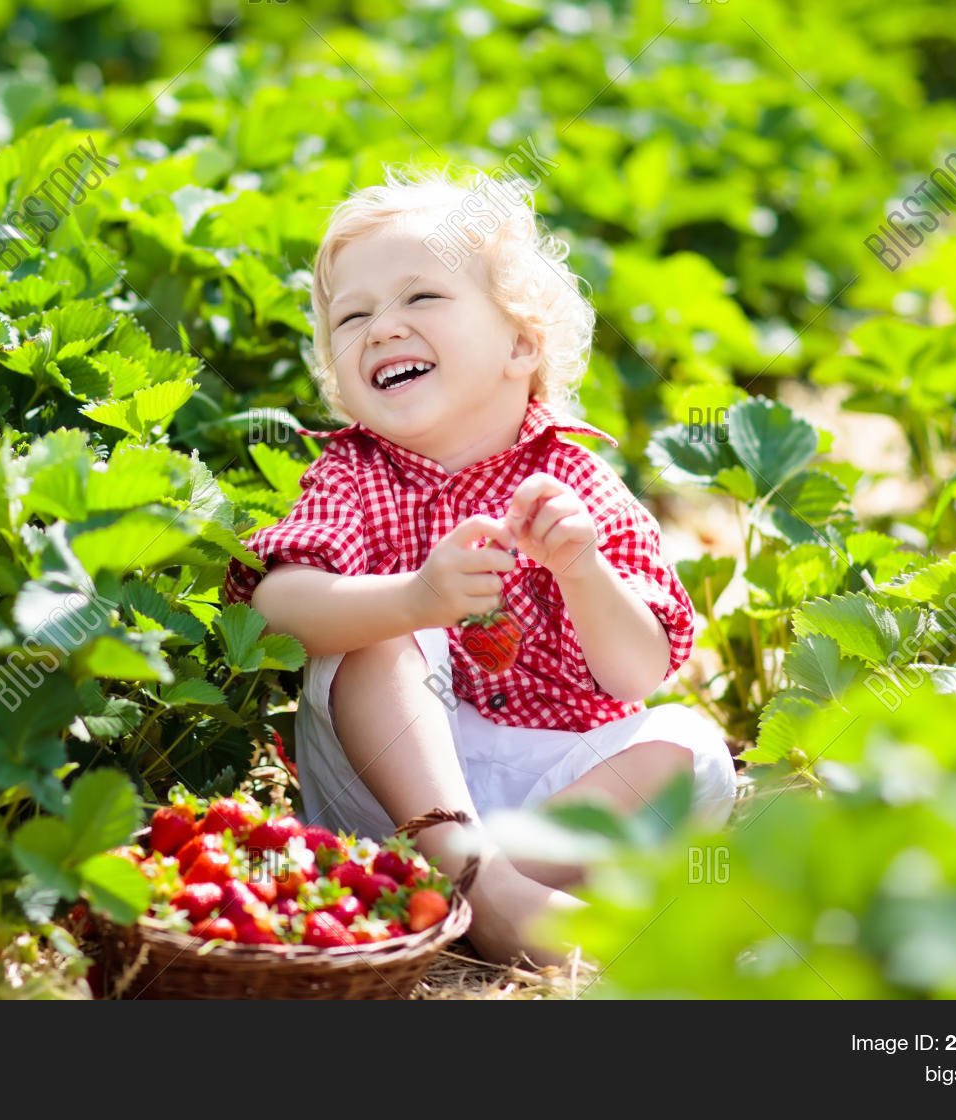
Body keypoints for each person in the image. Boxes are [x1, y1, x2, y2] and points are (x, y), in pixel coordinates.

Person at [222, 166, 736, 965]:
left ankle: (456, 892)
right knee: (382, 632)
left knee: (691, 751)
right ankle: (477, 886)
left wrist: (583, 572)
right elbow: (274, 608)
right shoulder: (354, 476)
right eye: (352, 317)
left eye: (422, 297)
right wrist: (413, 598)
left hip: (541, 797)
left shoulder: (576, 486)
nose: (382, 329)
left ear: (521, 343)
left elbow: (638, 673)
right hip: (389, 795)